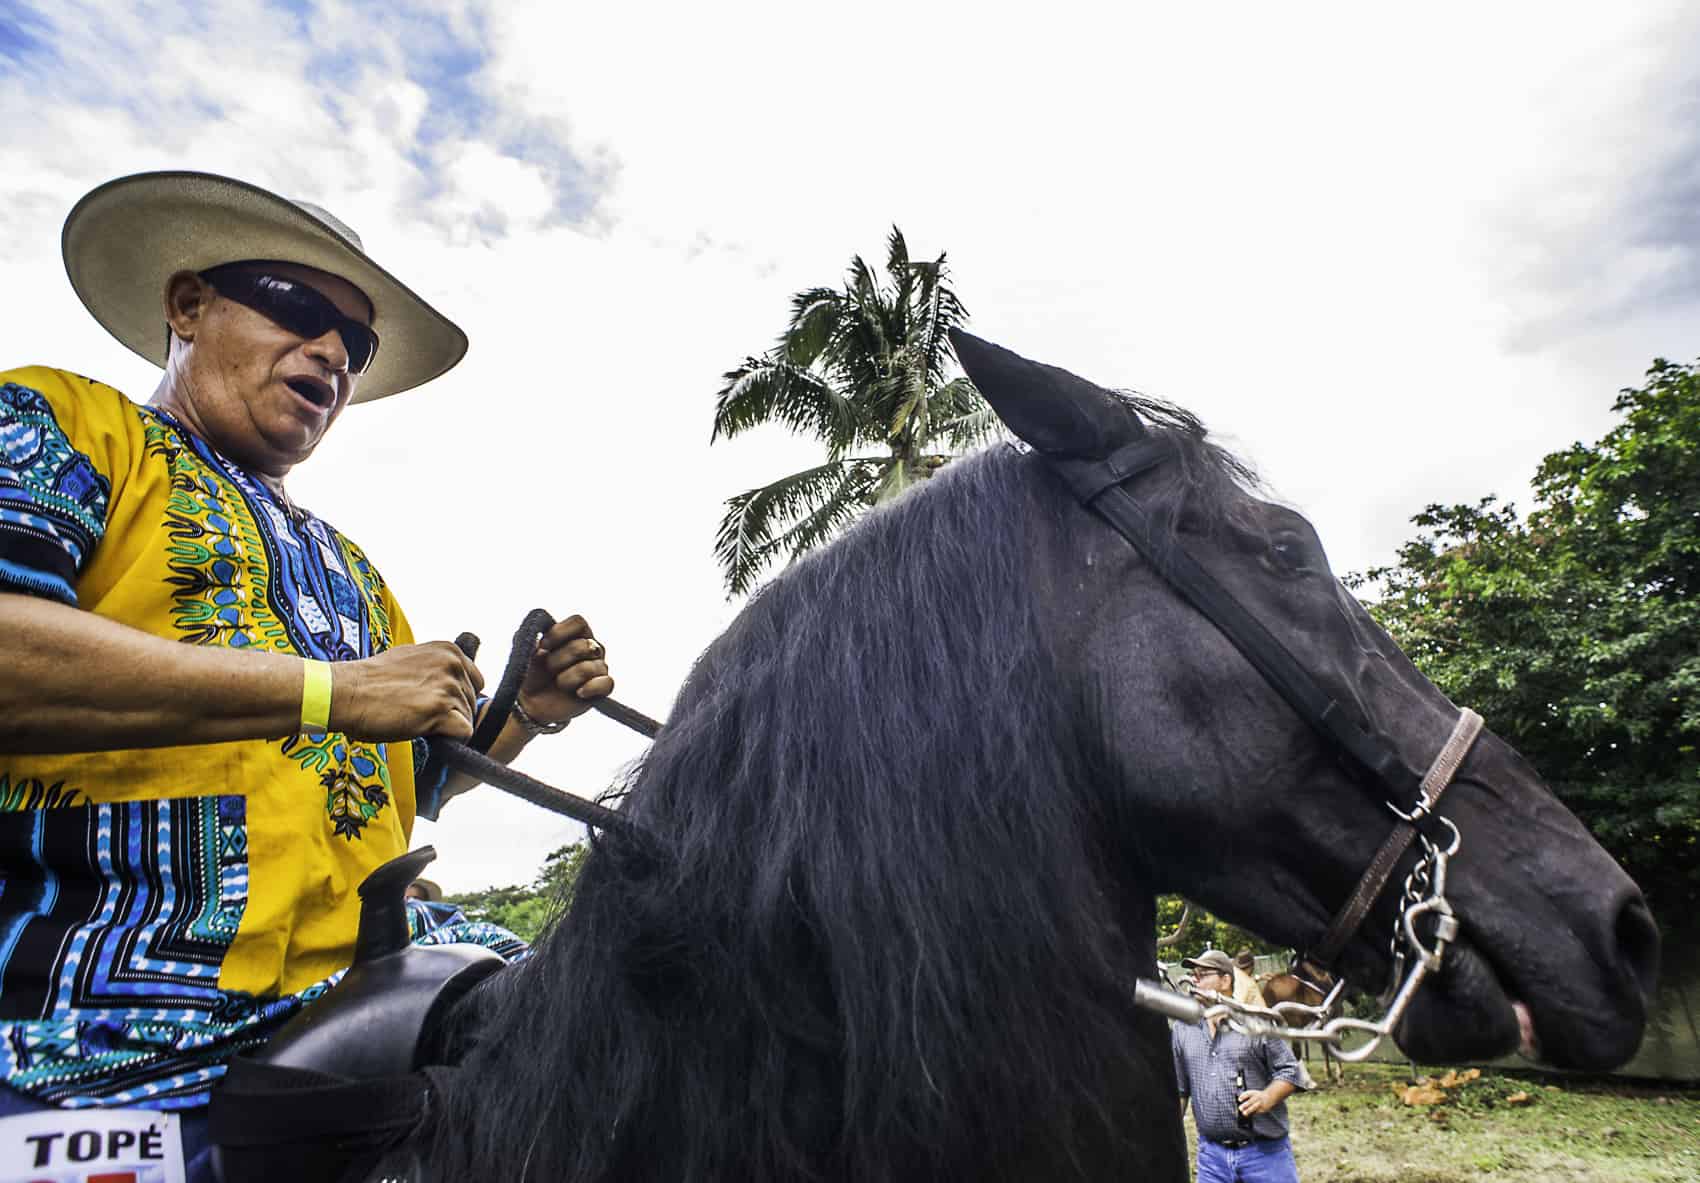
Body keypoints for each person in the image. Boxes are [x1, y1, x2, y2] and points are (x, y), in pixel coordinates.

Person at [0, 172, 611, 1176]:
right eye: (299, 308)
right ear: (187, 304)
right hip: (101, 1033)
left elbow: (391, 792)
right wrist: (334, 690)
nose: (331, 351)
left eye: (354, 345)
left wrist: (523, 717)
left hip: (371, 1004)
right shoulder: (65, 422)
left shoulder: (353, 572)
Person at [1173, 949, 1304, 1183]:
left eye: (1203, 974)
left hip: (1265, 1155)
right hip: (1212, 1158)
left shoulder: (1256, 1022)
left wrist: (1267, 1097)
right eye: (1193, 974)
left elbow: (1291, 1070)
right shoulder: (1183, 1029)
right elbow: (1181, 1090)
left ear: (1225, 980)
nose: (1194, 979)